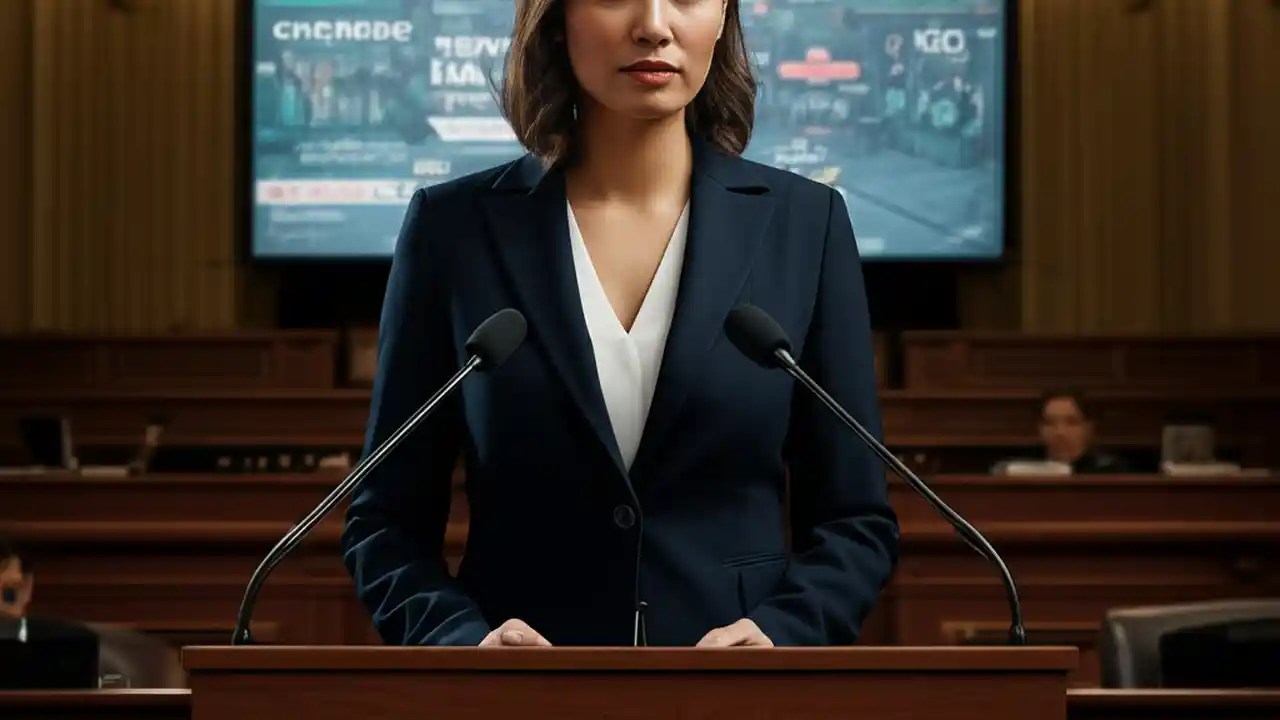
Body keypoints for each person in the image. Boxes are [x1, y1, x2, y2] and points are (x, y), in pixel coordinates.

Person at [341, 0, 899, 648]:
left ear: (723, 16)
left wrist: (781, 633)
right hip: (518, 691)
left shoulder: (808, 224)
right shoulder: (452, 228)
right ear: (556, 19)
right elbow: (385, 523)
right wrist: (464, 644)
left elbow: (855, 520)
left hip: (735, 690)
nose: (654, 25)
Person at [1038, 390, 1129, 474]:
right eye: (1049, 423)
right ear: (1040, 428)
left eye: (1071, 422)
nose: (1060, 432)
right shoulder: (1032, 470)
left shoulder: (1109, 471)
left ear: (1088, 428)